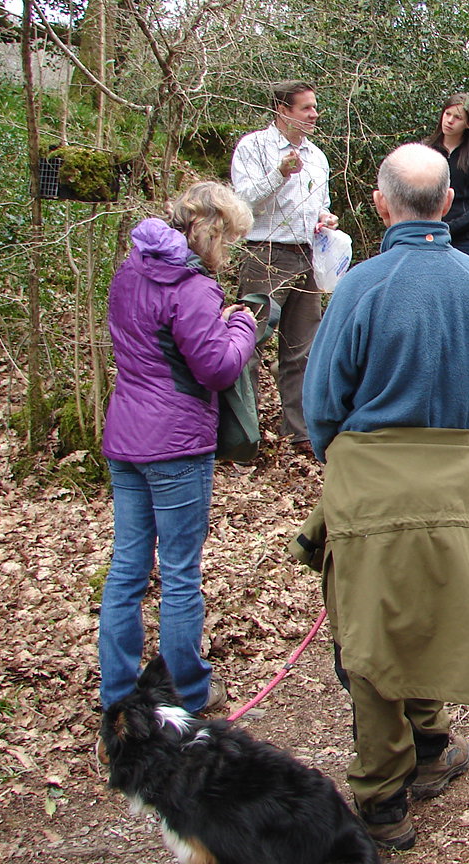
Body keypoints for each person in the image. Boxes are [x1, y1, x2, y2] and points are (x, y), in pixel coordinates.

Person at [301, 143, 469, 852]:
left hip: (368, 478)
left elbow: (322, 403)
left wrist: (343, 458)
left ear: (380, 204)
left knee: (369, 638)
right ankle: (430, 747)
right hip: (453, 472)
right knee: (427, 609)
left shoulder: (360, 286)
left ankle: (383, 798)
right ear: (449, 204)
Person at [99, 183, 258, 714]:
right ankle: (188, 691)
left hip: (127, 436)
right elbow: (217, 368)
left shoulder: (130, 269)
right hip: (176, 442)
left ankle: (118, 700)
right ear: (212, 232)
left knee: (127, 571)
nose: (228, 251)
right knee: (180, 573)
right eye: (229, 239)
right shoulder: (190, 287)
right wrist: (242, 323)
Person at [231, 80, 339, 452]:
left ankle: (300, 433)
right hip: (266, 254)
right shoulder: (253, 147)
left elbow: (320, 204)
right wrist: (279, 173)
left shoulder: (318, 156)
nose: (314, 114)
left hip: (308, 255)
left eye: (314, 107)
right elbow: (242, 202)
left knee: (302, 349)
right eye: (306, 108)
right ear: (283, 111)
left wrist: (326, 219)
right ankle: (242, 436)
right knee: (248, 344)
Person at [423, 91, 469, 259]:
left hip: (465, 240)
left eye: (457, 117)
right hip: (428, 235)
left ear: (468, 123)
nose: (450, 120)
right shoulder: (426, 149)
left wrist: (456, 226)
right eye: (447, 114)